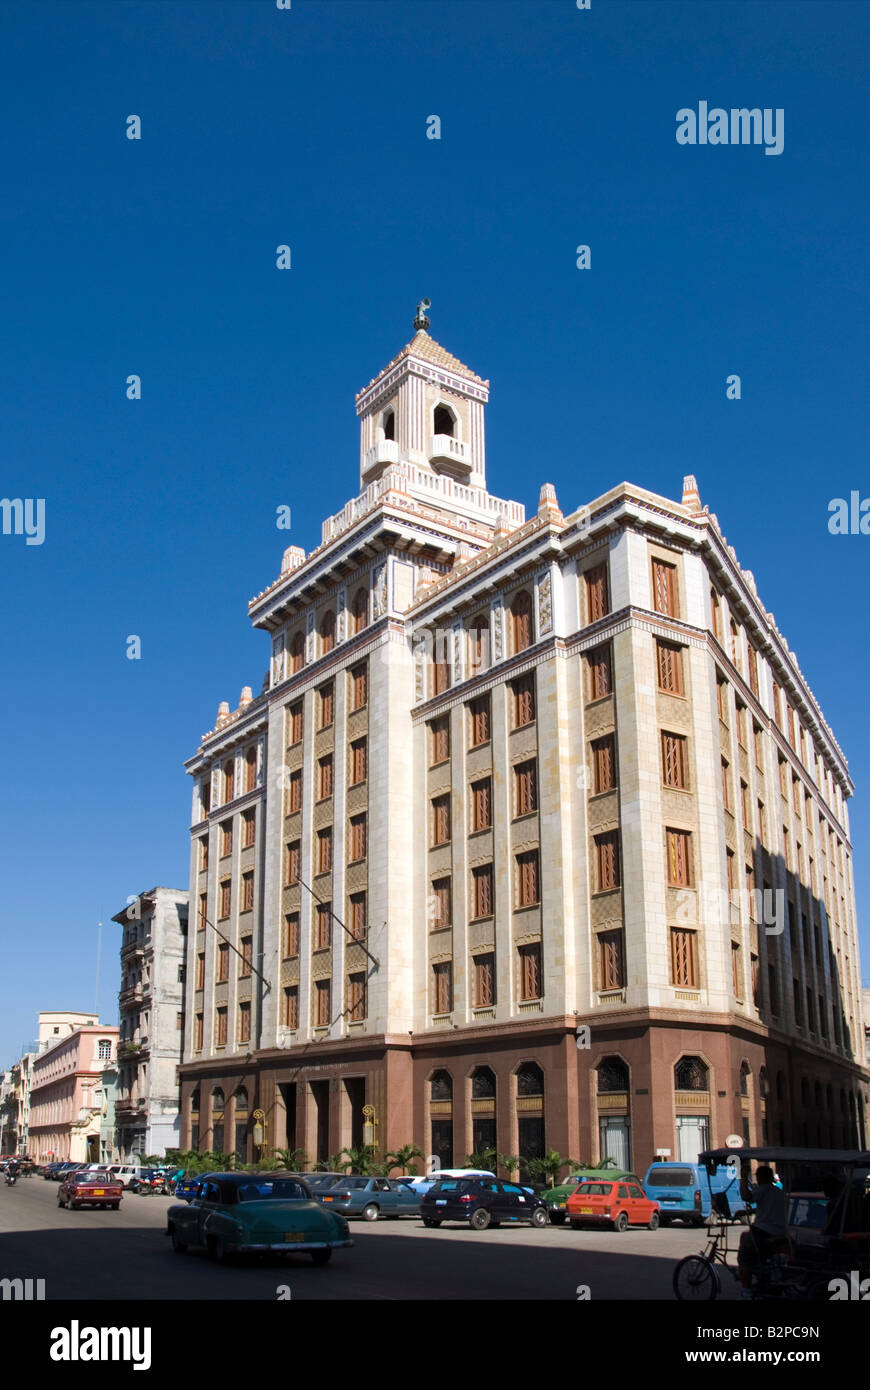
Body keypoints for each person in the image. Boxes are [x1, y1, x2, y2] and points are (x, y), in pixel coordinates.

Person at [737, 1164, 788, 1297]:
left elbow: (746, 1196)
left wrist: (743, 1177)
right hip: (780, 1232)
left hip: (764, 1232)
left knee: (744, 1258)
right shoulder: (779, 1192)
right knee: (748, 1239)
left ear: (761, 1177)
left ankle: (746, 1290)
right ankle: (761, 1277)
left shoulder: (763, 1189)